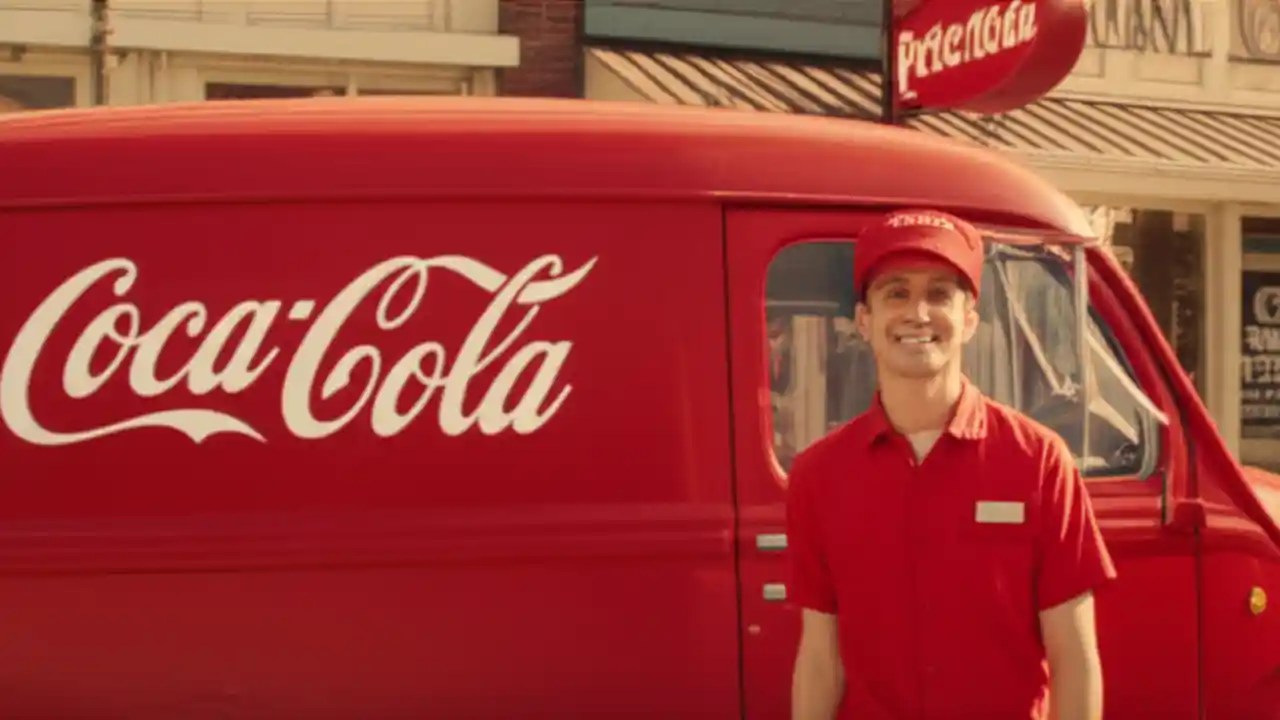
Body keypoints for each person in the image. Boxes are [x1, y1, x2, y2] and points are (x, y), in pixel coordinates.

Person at [786, 209, 1116, 720]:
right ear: (863, 322)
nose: (917, 313)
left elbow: (1075, 658)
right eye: (895, 292)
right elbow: (819, 661)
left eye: (939, 293)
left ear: (969, 321)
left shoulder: (1039, 463)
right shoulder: (817, 477)